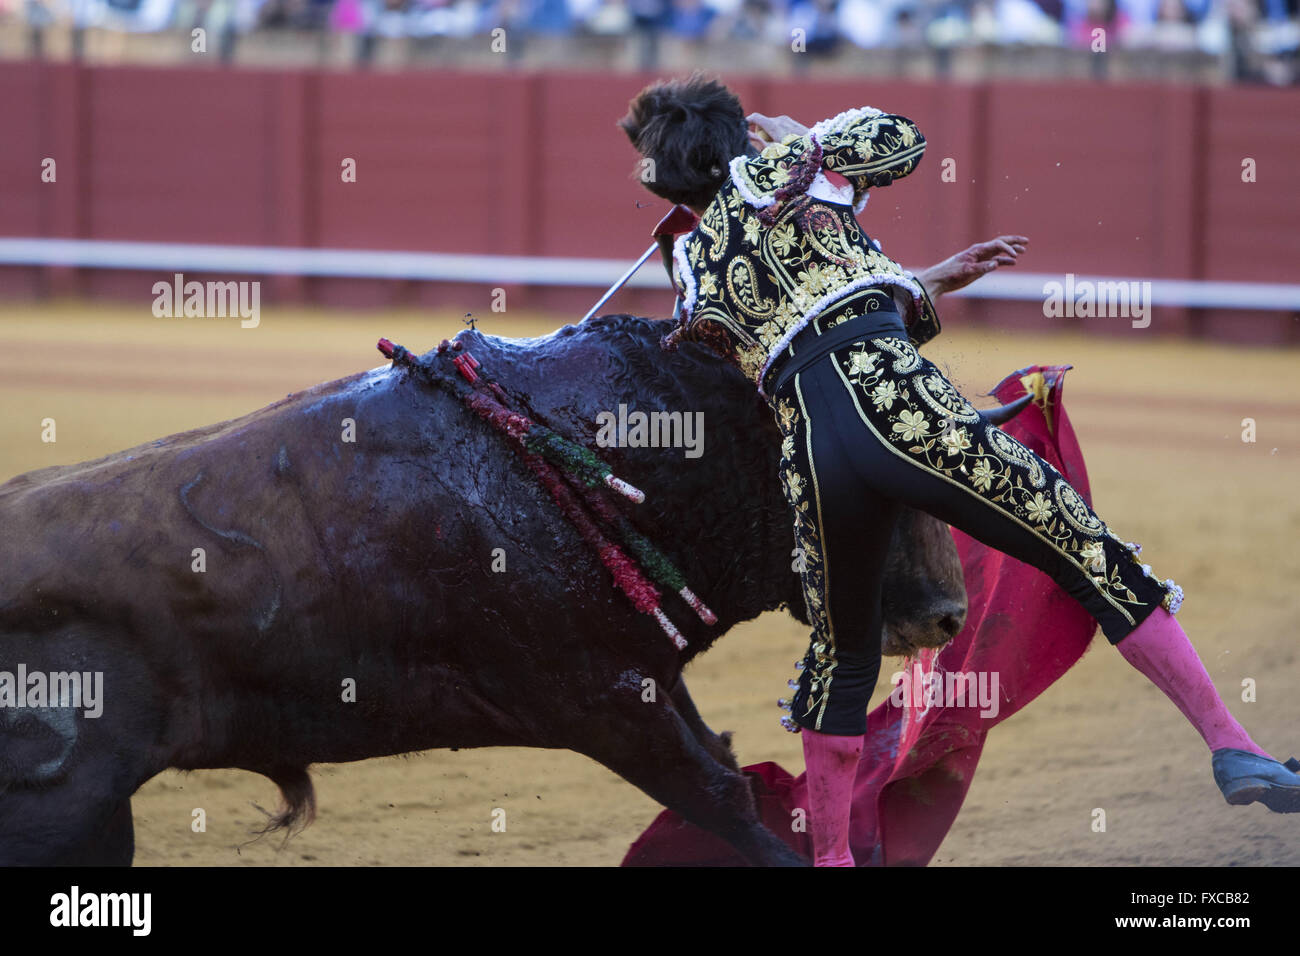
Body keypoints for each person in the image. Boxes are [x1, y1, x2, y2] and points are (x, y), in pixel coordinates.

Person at [617, 72, 1300, 866]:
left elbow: (789, 327)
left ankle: (834, 860)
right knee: (1085, 551)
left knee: (841, 658)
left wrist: (924, 279)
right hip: (904, 411)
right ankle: (1229, 742)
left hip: (812, 449)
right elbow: (899, 137)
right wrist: (794, 134)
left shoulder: (695, 263)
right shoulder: (796, 169)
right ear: (739, 136)